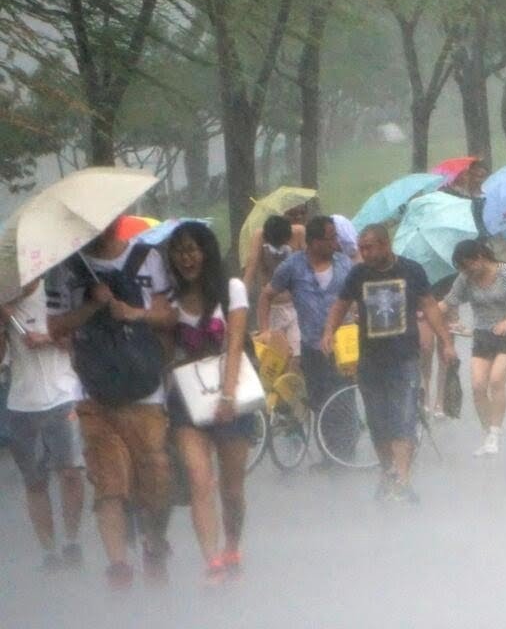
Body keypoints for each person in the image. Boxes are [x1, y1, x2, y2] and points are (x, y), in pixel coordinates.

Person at [46, 217, 175, 588]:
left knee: (157, 473)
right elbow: (57, 327)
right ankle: (118, 566)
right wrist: (91, 304)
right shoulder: (65, 269)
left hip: (146, 389)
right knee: (108, 480)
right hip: (94, 391)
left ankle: (153, 542)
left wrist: (134, 312)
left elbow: (168, 315)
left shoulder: (148, 258)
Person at [321, 225, 456, 496]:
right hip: (370, 359)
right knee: (377, 421)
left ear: (385, 245)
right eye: (361, 248)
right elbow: (341, 304)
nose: (364, 253)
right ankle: (388, 470)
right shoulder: (358, 274)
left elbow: (429, 305)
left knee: (404, 417)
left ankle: (403, 478)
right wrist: (329, 332)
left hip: (404, 357)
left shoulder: (411, 270)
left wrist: (446, 341)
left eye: (369, 247)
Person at [162, 222, 255, 584]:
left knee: (232, 489)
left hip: (230, 396)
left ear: (207, 251)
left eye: (193, 249)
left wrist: (228, 396)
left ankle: (231, 543)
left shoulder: (231, 290)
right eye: (180, 250)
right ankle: (211, 559)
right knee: (201, 480)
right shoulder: (168, 298)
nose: (187, 258)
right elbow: (166, 355)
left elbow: (234, 345)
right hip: (187, 400)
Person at [1, 278, 86, 571]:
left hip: (63, 395)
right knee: (35, 481)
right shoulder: (4, 305)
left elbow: (76, 337)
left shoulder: (55, 294)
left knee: (71, 472)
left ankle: (71, 541)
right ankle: (48, 550)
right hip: (22, 403)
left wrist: (46, 337)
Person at [258, 215, 353, 467]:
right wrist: (265, 330)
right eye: (330, 238)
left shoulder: (345, 264)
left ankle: (346, 451)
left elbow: (361, 297)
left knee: (344, 396)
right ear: (312, 242)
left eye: (336, 237)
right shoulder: (292, 267)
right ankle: (329, 454)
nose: (335, 242)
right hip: (312, 346)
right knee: (319, 400)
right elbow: (266, 296)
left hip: (344, 347)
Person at [442, 240, 506, 456]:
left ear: (480, 258)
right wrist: (425, 313)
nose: (466, 271)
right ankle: (488, 434)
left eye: (468, 265)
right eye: (462, 267)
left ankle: (496, 433)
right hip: (483, 334)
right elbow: (449, 302)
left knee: (496, 380)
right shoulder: (465, 279)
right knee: (478, 386)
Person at [245, 215, 302, 373]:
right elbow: (250, 269)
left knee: (297, 353)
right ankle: (276, 393)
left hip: (294, 305)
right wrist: (240, 301)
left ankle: (293, 389)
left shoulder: (299, 233)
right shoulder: (259, 236)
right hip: (271, 307)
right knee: (276, 357)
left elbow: (310, 265)